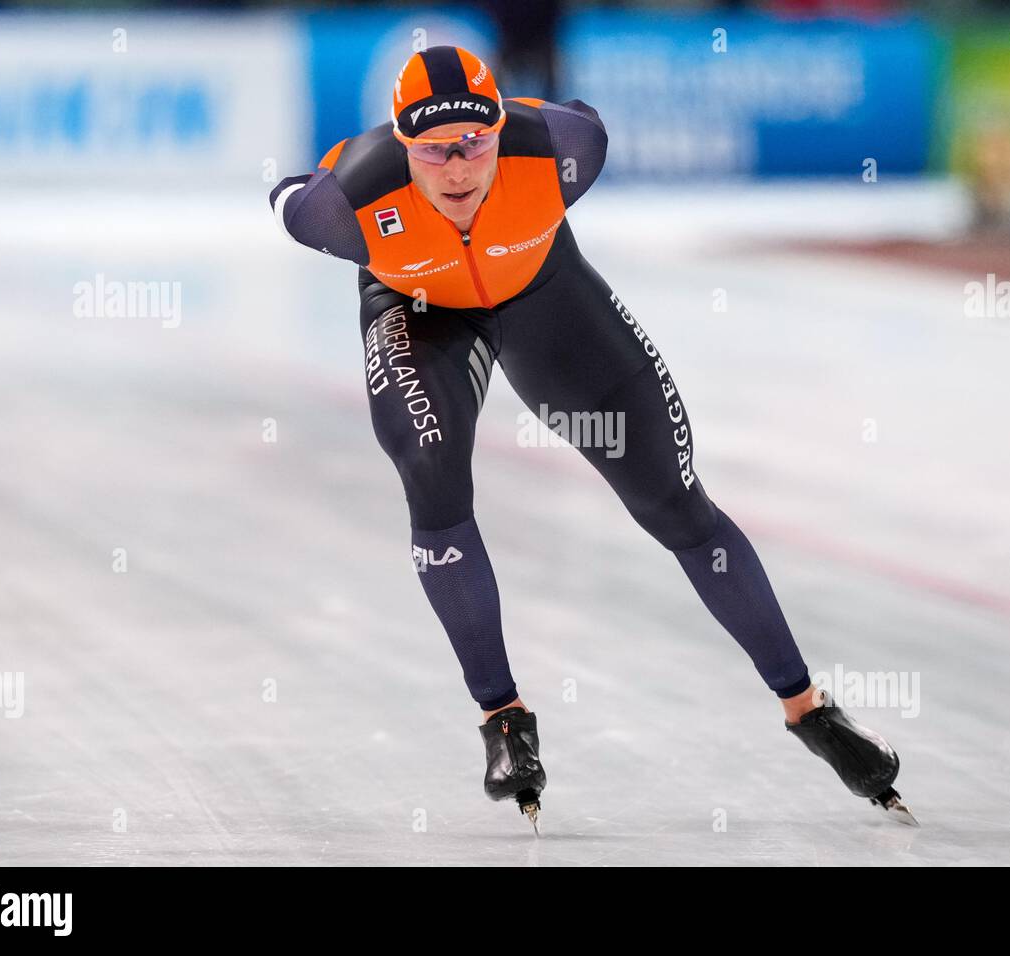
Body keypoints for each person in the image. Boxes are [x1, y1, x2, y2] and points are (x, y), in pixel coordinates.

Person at [269, 45, 914, 831]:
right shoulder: (346, 205)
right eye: (434, 150)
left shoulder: (562, 150)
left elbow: (584, 116)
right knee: (432, 477)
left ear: (502, 129)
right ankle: (502, 717)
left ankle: (808, 709)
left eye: (475, 140)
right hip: (421, 315)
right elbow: (287, 194)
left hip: (547, 299)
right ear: (405, 148)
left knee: (676, 506)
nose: (459, 167)